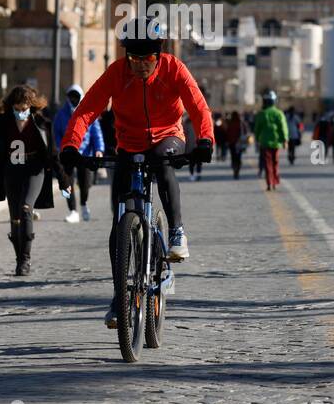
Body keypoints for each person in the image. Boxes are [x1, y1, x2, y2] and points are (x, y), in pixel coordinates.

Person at [60, 17, 213, 327]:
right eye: (135, 59)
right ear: (126, 55)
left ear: (158, 55)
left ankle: (176, 231)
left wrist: (206, 140)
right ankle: (120, 297)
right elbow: (87, 109)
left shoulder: (174, 69)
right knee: (120, 224)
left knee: (162, 158)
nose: (142, 65)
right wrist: (71, 147)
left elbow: (198, 107)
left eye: (148, 59)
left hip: (168, 136)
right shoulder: (117, 72)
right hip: (128, 144)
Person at [0, 83, 69, 277]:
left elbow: (52, 153)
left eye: (24, 109)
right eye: (17, 108)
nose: (20, 112)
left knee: (26, 208)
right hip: (11, 172)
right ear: (12, 106)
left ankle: (25, 260)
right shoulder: (4, 122)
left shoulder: (42, 123)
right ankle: (19, 258)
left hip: (34, 171)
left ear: (31, 106)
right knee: (15, 218)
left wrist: (63, 180)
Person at [52, 83, 104, 223]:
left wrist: (99, 149)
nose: (73, 99)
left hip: (84, 154)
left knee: (85, 183)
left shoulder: (88, 113)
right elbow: (56, 133)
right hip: (67, 154)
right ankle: (72, 210)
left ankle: (84, 204)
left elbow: (96, 134)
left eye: (76, 96)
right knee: (65, 184)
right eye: (71, 95)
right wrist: (59, 147)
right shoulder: (61, 114)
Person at [252, 89, 288, 191]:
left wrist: (257, 139)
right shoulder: (279, 113)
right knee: (275, 162)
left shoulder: (261, 114)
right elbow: (283, 127)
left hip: (264, 142)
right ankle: (275, 182)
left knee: (267, 164)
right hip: (276, 142)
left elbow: (257, 129)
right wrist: (285, 140)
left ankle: (269, 183)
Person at [224, 110, 247, 179]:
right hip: (239, 143)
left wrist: (227, 141)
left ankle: (234, 168)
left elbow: (227, 133)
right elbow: (245, 132)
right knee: (238, 157)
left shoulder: (230, 123)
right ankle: (238, 169)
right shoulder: (241, 123)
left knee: (233, 157)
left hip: (232, 143)